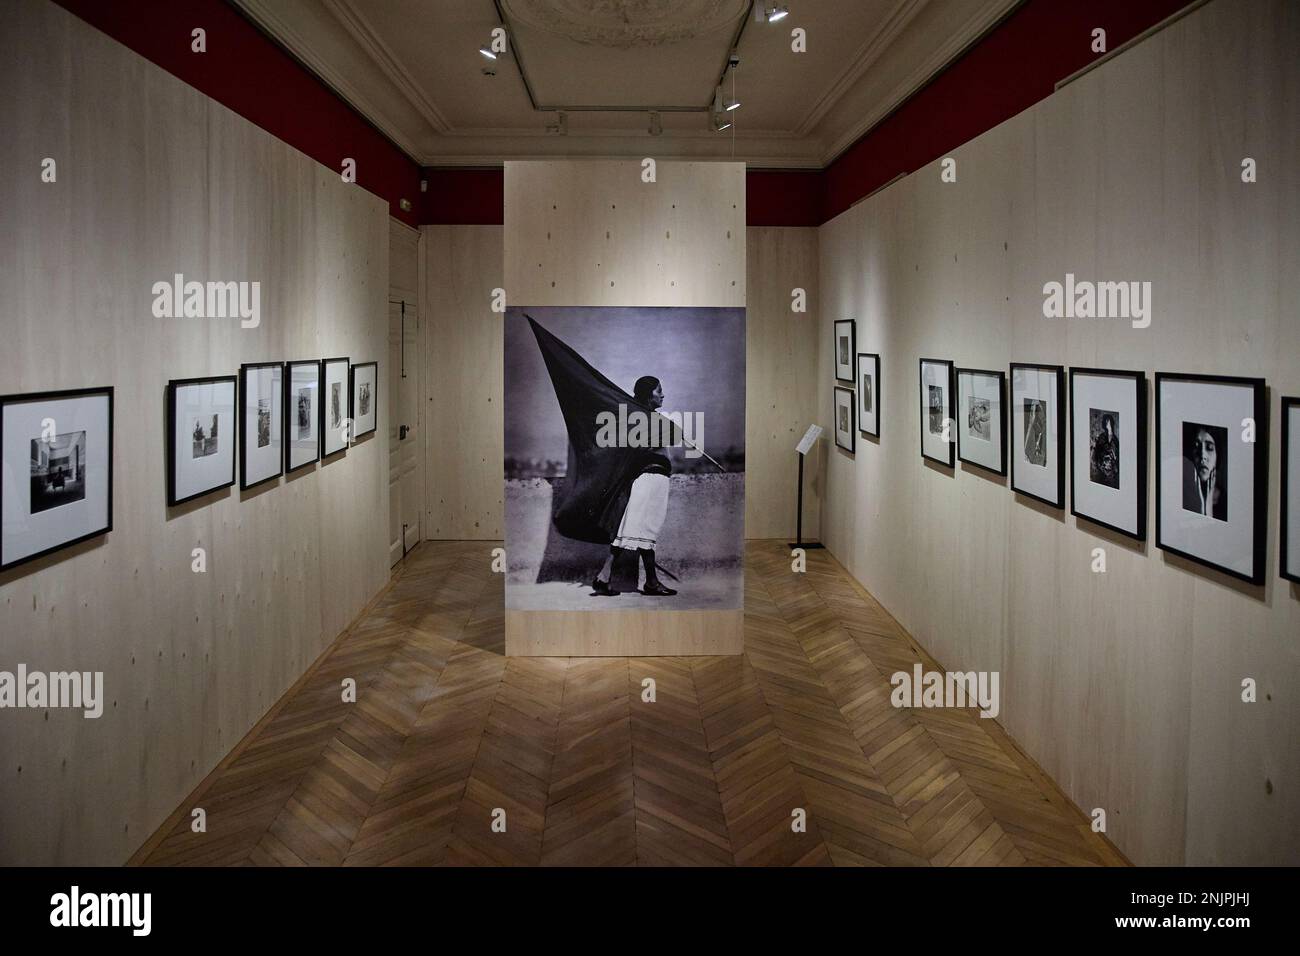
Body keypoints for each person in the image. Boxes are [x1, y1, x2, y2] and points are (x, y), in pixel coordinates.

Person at [592, 375, 677, 597]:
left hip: (654, 480)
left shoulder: (648, 419)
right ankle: (650, 583)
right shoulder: (643, 421)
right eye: (659, 391)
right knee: (643, 530)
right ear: (650, 396)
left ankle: (604, 577)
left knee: (633, 530)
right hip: (649, 479)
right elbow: (642, 447)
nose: (663, 394)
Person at [1182, 425, 1226, 520]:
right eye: (1196, 447)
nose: (1202, 455)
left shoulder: (1227, 502)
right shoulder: (1181, 497)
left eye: (1209, 448)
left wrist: (1208, 506)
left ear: (1217, 456)